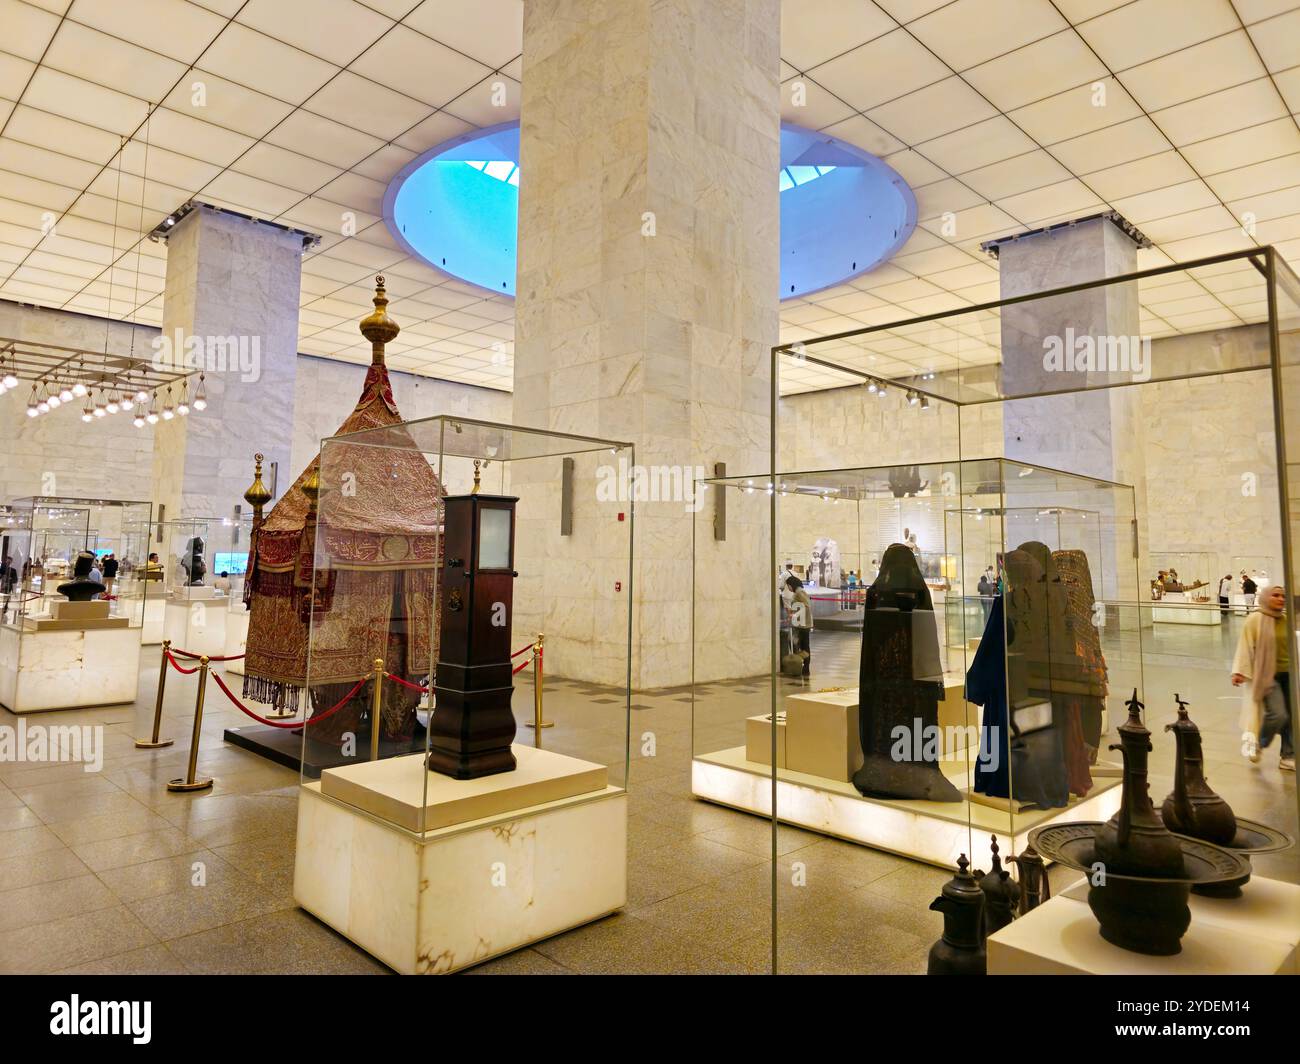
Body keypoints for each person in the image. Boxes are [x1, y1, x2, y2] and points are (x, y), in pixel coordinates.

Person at [1231, 582, 1295, 771]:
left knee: (1291, 717)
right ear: (1266, 597)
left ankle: (1288, 756)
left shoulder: (1286, 618)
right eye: (1275, 595)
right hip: (1268, 675)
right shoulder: (1255, 619)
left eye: (1283, 596)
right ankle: (1259, 742)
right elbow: (1245, 645)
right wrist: (1239, 671)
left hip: (1289, 674)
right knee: (1278, 714)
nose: (1280, 599)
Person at [786, 575, 813, 678]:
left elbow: (806, 606)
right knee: (800, 644)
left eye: (788, 586)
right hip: (801, 623)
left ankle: (805, 667)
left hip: (803, 624)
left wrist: (794, 615)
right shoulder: (798, 592)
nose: (788, 588)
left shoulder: (799, 592)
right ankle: (802, 666)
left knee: (803, 645)